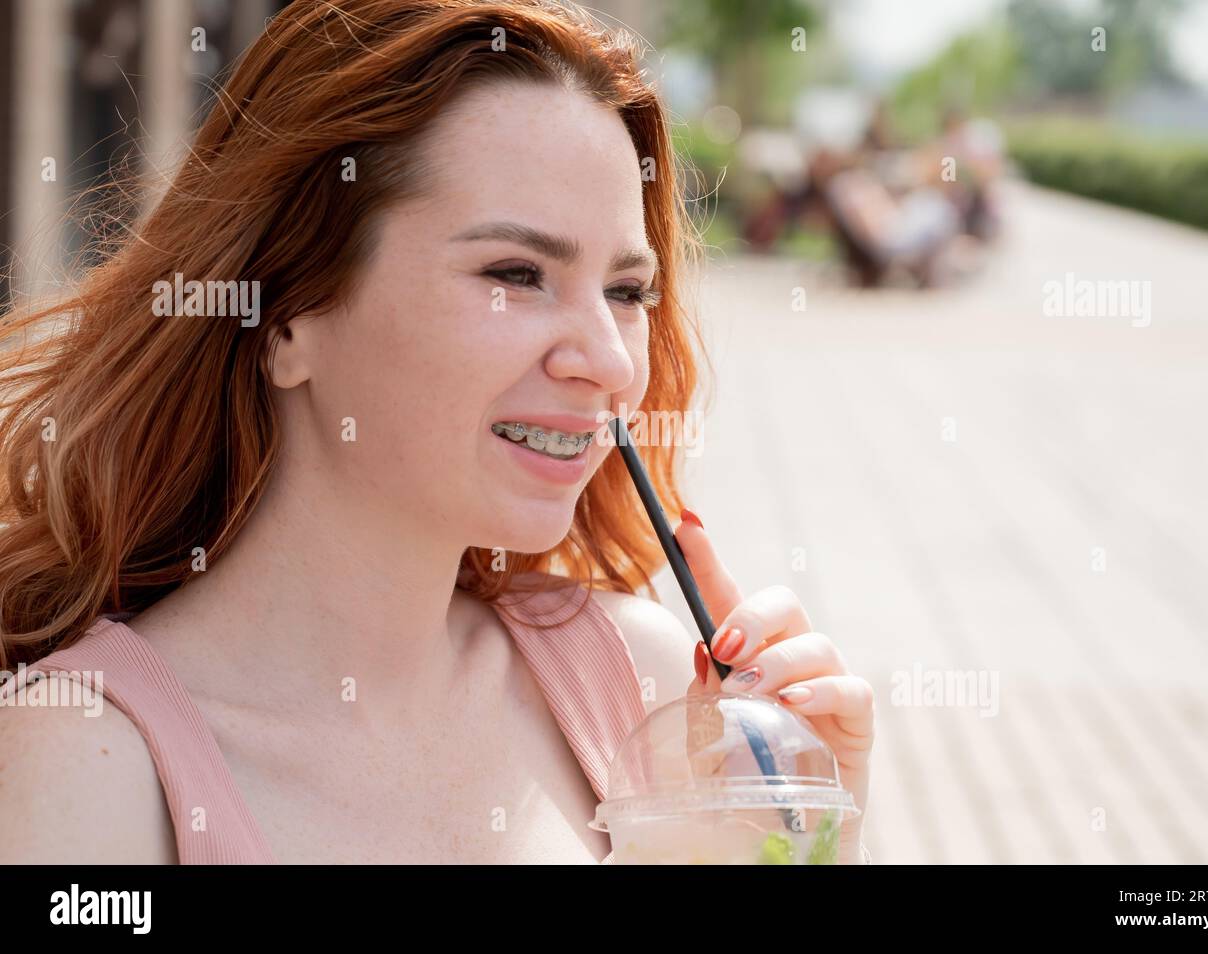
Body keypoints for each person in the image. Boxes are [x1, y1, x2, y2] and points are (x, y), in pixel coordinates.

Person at [0, 0, 873, 864]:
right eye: (516, 274)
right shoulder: (86, 757)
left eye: (626, 291)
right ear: (285, 319)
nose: (609, 363)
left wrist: (822, 837)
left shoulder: (649, 689)